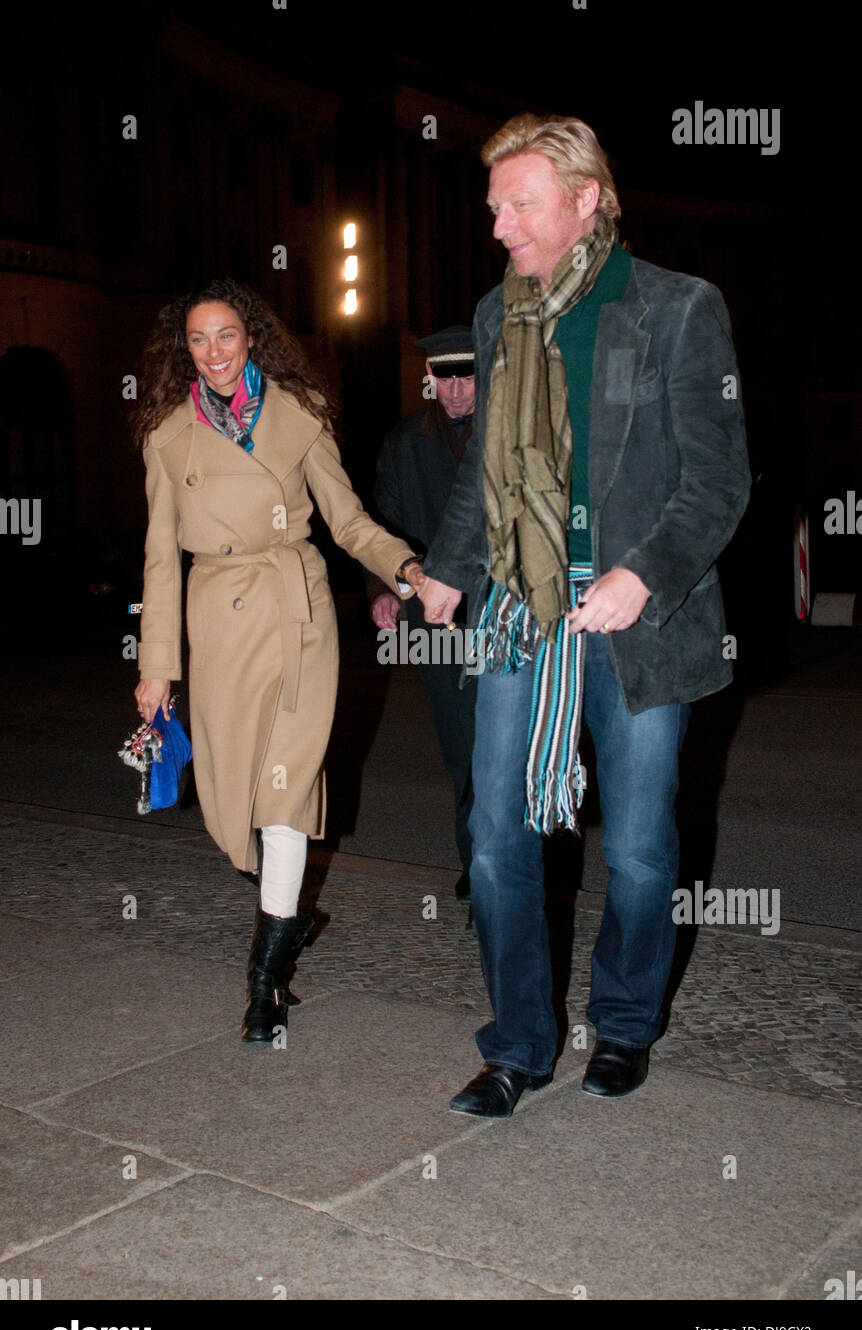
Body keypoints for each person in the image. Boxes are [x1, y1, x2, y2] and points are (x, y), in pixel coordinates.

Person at [417, 114, 750, 1117]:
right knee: (494, 838)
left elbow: (718, 477)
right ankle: (518, 1044)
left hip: (638, 619)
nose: (499, 226)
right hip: (523, 608)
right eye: (492, 207)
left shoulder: (679, 310)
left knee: (644, 848)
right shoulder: (496, 316)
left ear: (584, 200)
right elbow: (484, 467)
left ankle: (625, 1022)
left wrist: (642, 574)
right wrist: (446, 568)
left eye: (518, 204)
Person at [132, 277, 422, 1044]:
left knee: (284, 794)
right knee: (232, 809)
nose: (214, 352)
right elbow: (160, 559)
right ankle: (287, 915)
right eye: (198, 339)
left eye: (226, 334)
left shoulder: (301, 416)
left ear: (251, 336)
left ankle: (264, 985)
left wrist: (407, 569)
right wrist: (155, 665)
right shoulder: (166, 436)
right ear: (184, 350)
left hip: (297, 614)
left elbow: (350, 520)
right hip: (218, 620)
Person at [367, 326, 478, 899]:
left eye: (468, 375)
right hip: (435, 622)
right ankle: (478, 862)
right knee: (461, 748)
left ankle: (511, 864)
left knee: (507, 744)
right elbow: (379, 531)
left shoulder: (509, 439)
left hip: (500, 613)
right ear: (429, 379)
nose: (456, 391)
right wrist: (383, 588)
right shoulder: (404, 443)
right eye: (444, 377)